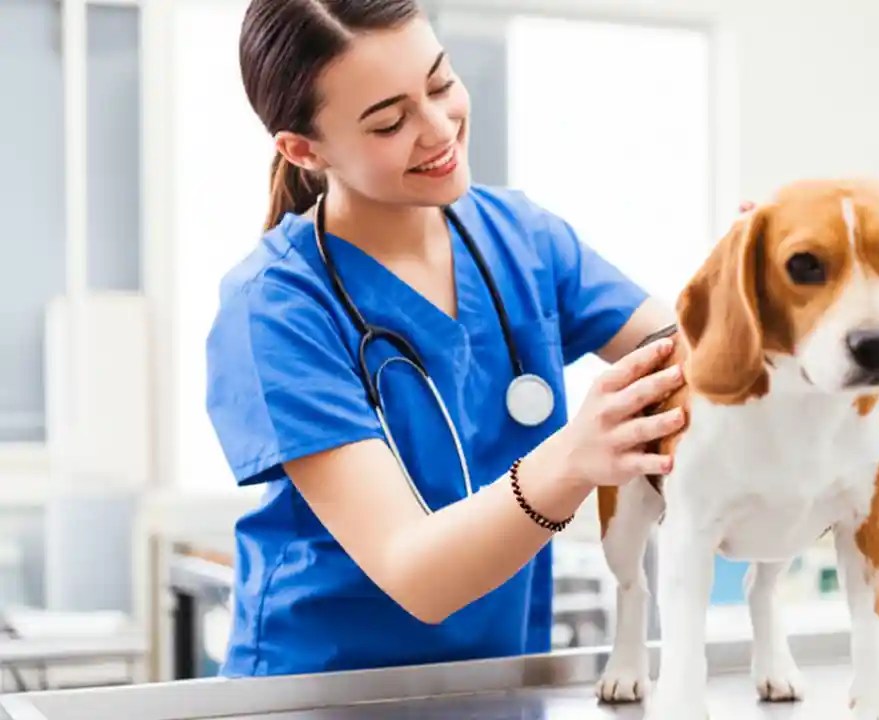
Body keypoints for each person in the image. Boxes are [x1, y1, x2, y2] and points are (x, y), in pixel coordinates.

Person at [204, 0, 688, 677]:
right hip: (319, 692)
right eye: (390, 121)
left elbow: (685, 358)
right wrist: (576, 457)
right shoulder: (278, 307)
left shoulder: (523, 240)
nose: (439, 129)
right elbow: (416, 573)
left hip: (493, 682)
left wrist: (765, 292)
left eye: (439, 83)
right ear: (304, 149)